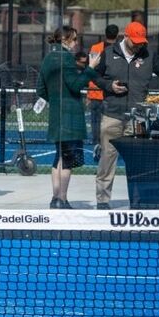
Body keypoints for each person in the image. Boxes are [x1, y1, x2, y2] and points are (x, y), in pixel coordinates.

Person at [91, 10, 159, 209]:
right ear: (125, 37)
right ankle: (102, 201)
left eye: (141, 42)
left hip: (138, 119)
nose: (138, 45)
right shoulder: (108, 53)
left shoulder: (148, 55)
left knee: (138, 164)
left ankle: (138, 201)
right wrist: (109, 87)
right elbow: (94, 76)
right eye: (135, 42)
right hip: (112, 116)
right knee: (107, 160)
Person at [36, 27, 101, 209]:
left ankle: (55, 197)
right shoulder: (67, 59)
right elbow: (75, 84)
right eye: (73, 40)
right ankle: (62, 199)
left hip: (56, 114)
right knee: (67, 158)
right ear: (65, 40)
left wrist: (56, 101)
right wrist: (90, 69)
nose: (75, 44)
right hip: (70, 115)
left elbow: (40, 89)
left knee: (59, 157)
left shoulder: (48, 58)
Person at [86, 23, 120, 162]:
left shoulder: (96, 48)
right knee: (112, 122)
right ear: (117, 35)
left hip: (95, 91)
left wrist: (89, 91)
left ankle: (96, 145)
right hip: (111, 92)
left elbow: (91, 68)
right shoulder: (119, 50)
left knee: (95, 121)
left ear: (105, 34)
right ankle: (109, 146)